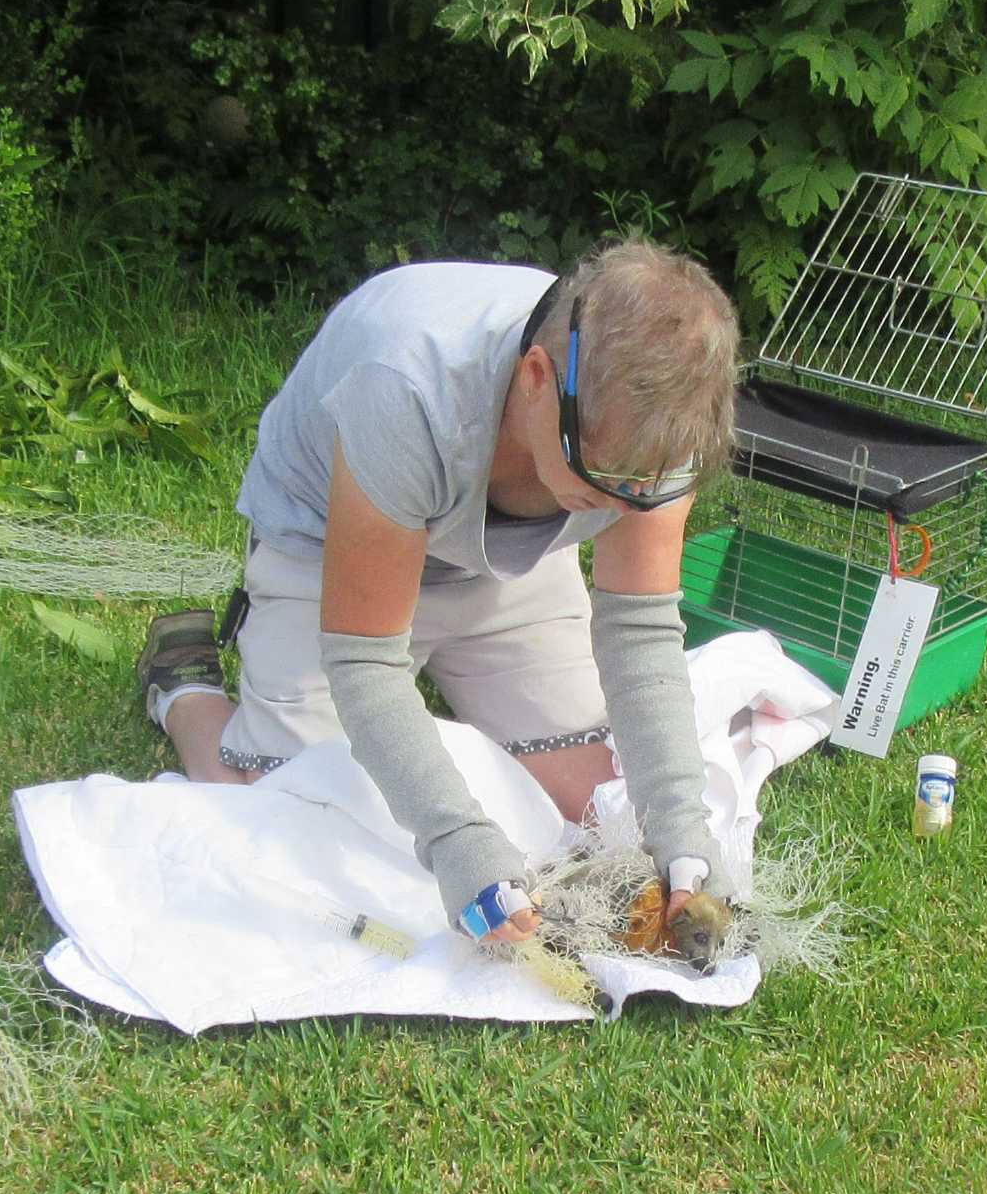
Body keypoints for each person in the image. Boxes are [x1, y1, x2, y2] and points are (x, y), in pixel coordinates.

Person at [134, 239, 740, 945]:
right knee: (291, 814)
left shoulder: (665, 424)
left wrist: (684, 841)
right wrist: (457, 839)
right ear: (538, 377)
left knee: (595, 806)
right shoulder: (407, 387)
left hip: (504, 563)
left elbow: (638, 634)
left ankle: (465, 699)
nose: (626, 506)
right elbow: (366, 663)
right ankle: (183, 685)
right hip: (334, 546)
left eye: (651, 489)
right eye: (604, 477)